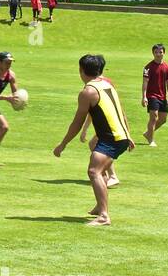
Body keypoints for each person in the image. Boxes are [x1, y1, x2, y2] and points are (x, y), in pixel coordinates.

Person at [54, 54, 135, 227]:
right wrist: (128, 134)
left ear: (81, 70)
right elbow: (121, 110)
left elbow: (77, 122)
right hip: (119, 136)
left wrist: (63, 144)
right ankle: (100, 205)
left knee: (94, 172)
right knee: (101, 170)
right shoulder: (107, 84)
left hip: (111, 138)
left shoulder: (88, 92)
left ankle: (104, 216)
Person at [141, 43, 168, 147]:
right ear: (153, 53)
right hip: (152, 96)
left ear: (164, 53)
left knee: (163, 119)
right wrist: (144, 97)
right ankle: (151, 140)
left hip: (162, 97)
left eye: (160, 52)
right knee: (154, 117)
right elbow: (145, 82)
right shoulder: (148, 67)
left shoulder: (167, 68)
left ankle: (148, 133)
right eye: (156, 52)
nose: (158, 54)